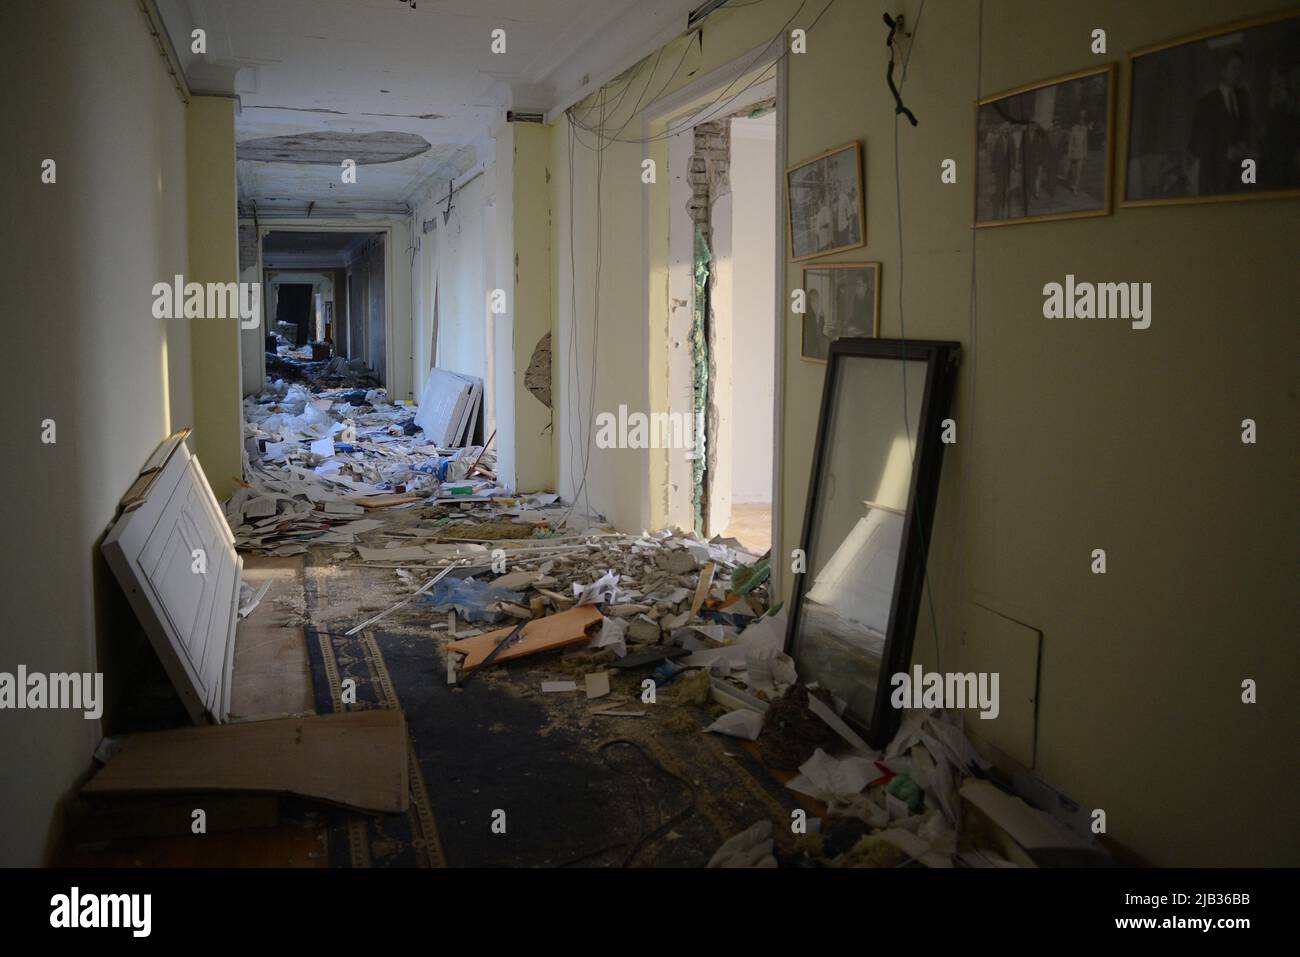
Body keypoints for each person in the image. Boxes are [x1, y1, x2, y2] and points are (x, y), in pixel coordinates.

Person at [1188, 49, 1252, 195]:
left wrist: (1243, 144)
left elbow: (1247, 128)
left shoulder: (1243, 99)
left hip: (1240, 170)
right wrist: (1225, 151)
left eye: (1240, 69)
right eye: (1233, 68)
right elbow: (1198, 142)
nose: (1238, 73)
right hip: (1214, 174)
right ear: (1223, 71)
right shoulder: (1206, 102)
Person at [1067, 108, 1090, 195]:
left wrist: (1085, 153)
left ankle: (1075, 188)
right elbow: (1070, 142)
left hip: (1080, 153)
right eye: (1080, 120)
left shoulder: (1085, 129)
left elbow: (1085, 142)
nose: (1082, 121)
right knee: (1071, 170)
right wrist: (1069, 153)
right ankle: (1070, 183)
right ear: (1078, 120)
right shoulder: (1074, 128)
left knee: (1078, 172)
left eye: (1083, 120)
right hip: (1073, 152)